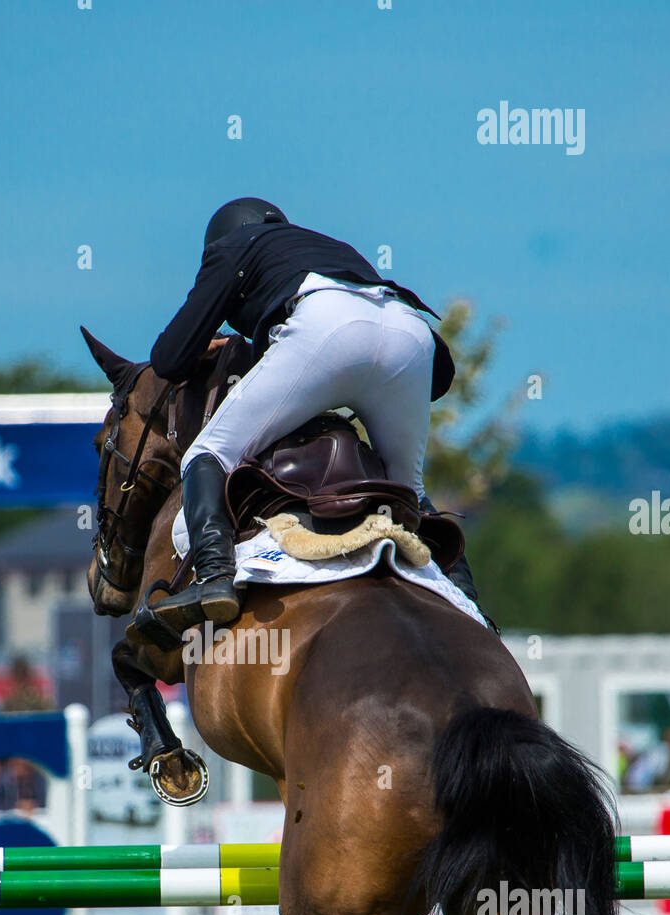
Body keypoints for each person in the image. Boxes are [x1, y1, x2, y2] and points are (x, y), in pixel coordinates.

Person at [146, 197, 490, 632]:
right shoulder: (325, 246)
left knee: (205, 454)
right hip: (410, 333)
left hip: (329, 326)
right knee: (410, 494)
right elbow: (437, 383)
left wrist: (207, 344)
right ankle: (469, 607)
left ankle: (215, 577)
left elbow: (168, 359)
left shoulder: (236, 246)